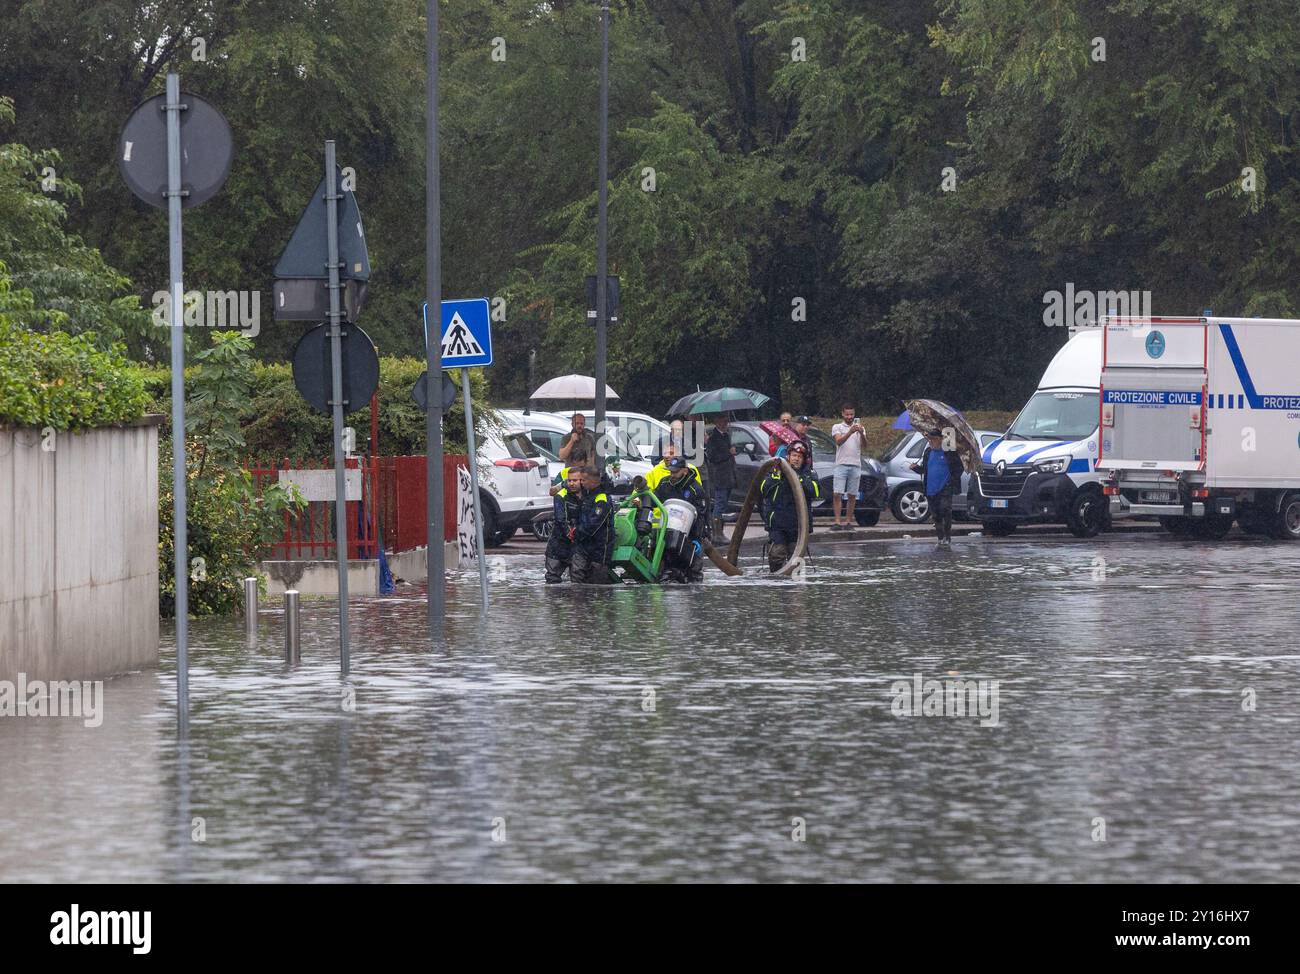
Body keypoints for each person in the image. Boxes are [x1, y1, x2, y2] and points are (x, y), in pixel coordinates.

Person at [760, 441, 819, 572]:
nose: (796, 459)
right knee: (777, 554)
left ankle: (795, 588)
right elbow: (763, 489)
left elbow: (815, 491)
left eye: (799, 457)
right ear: (788, 456)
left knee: (796, 560)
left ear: (804, 460)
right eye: (794, 455)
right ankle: (776, 580)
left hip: (798, 525)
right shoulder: (776, 471)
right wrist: (776, 476)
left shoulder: (809, 474)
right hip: (777, 524)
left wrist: (800, 478)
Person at [651, 456, 709, 581]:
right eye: (671, 471)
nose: (672, 475)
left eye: (676, 472)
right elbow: (654, 499)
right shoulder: (664, 483)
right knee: (667, 565)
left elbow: (701, 515)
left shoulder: (695, 489)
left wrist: (698, 538)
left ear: (685, 471)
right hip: (668, 530)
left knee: (692, 570)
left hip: (691, 533)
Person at [910, 428, 964, 547]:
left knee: (945, 510)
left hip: (945, 487)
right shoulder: (928, 452)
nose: (930, 441)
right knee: (936, 514)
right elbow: (924, 469)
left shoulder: (950, 452)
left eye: (933, 439)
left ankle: (947, 537)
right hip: (931, 488)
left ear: (940, 440)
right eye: (929, 439)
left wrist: (951, 482)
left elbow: (959, 468)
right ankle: (940, 538)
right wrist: (915, 468)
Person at [571, 467, 615, 583]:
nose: (581, 483)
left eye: (583, 480)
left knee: (597, 582)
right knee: (577, 576)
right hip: (583, 544)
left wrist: (577, 532)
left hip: (599, 547)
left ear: (593, 482)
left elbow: (594, 524)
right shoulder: (586, 495)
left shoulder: (602, 499)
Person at [544, 465, 585, 583]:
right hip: (558, 544)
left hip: (578, 545)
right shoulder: (561, 495)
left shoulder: (588, 495)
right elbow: (560, 519)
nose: (572, 483)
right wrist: (570, 533)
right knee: (552, 578)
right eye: (570, 480)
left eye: (575, 480)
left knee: (579, 579)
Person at [830, 403, 867, 530]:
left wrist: (861, 433)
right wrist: (850, 432)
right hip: (841, 463)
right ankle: (837, 521)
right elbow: (838, 441)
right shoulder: (837, 427)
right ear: (842, 414)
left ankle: (848, 522)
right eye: (847, 414)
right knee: (837, 493)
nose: (850, 417)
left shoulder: (860, 428)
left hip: (855, 464)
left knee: (852, 494)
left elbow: (865, 446)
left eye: (852, 414)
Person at [703, 414, 737, 540]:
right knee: (719, 504)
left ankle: (720, 532)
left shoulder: (726, 436)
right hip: (720, 476)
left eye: (726, 421)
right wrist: (728, 453)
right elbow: (712, 457)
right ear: (716, 422)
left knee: (724, 504)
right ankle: (716, 534)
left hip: (728, 475)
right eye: (722, 421)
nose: (725, 424)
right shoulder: (713, 438)